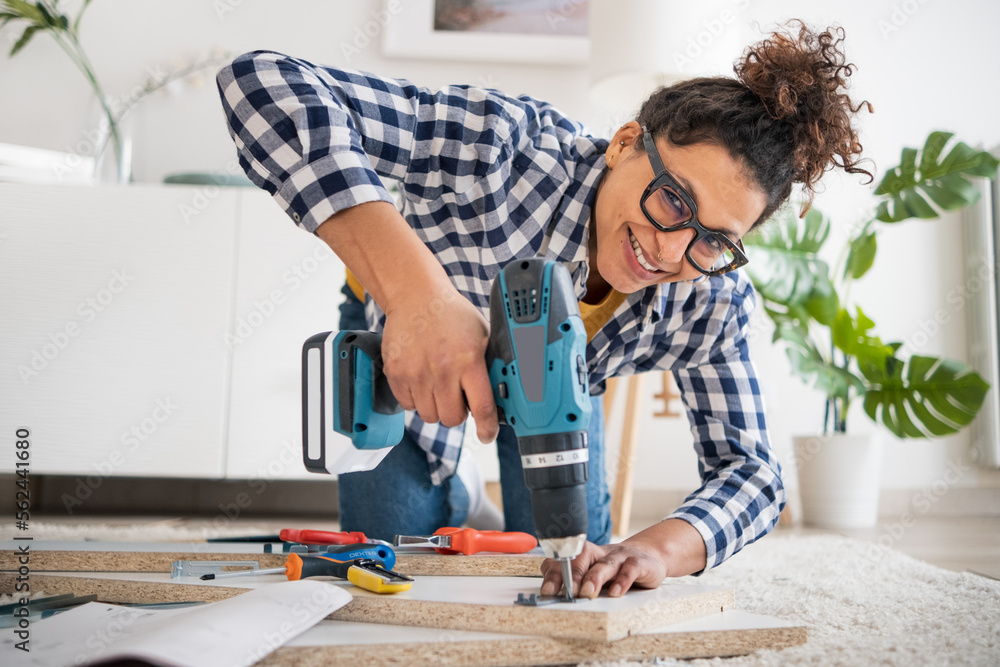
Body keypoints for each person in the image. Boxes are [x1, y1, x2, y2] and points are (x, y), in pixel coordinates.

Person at [216, 20, 871, 599]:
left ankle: (493, 498)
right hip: (402, 324)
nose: (672, 250)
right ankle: (458, 493)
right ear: (623, 144)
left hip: (551, 388)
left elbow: (752, 473)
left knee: (557, 564)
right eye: (674, 199)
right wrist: (418, 298)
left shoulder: (711, 296)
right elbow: (261, 83)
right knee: (395, 568)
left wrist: (657, 550)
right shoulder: (502, 146)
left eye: (714, 238)